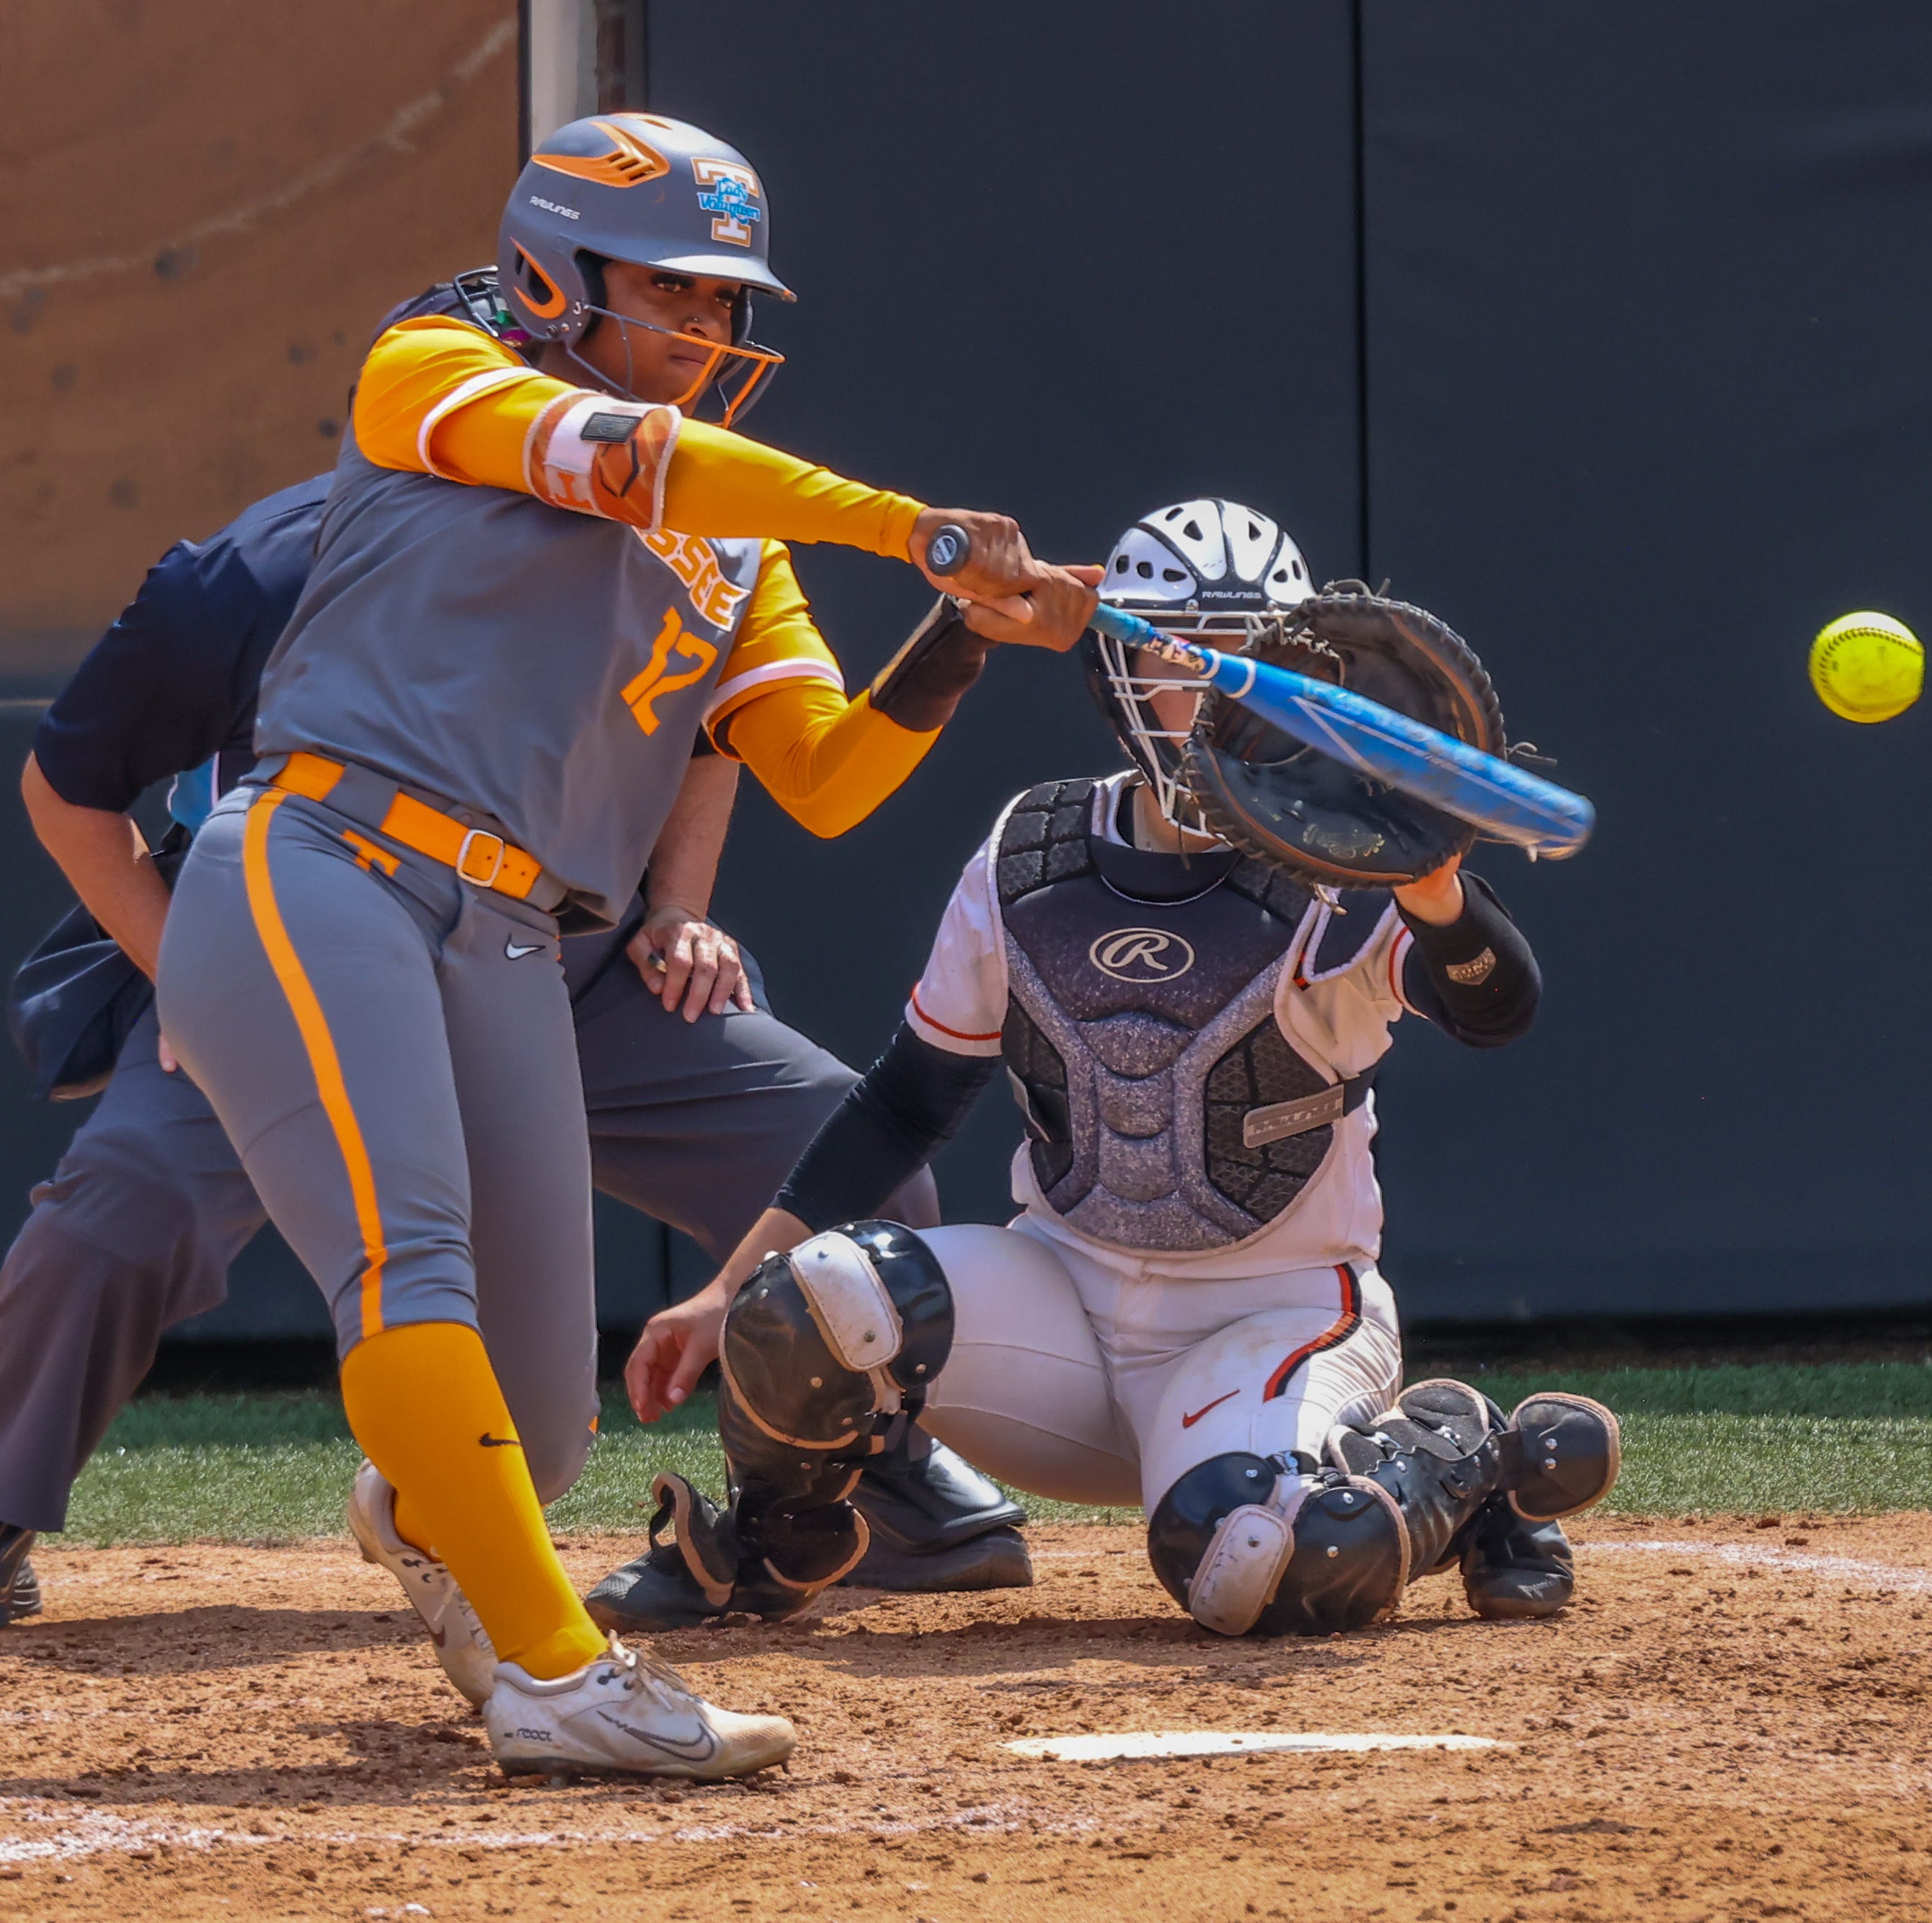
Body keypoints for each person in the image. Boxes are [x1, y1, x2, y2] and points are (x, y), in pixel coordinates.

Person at [0, 294, 1029, 1653]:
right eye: (518, 376)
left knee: (834, 1147)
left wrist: (678, 906)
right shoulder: (265, 565)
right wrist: (187, 970)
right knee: (127, 1203)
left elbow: (715, 727)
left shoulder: (677, 534)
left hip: (556, 952)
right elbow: (67, 787)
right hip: (319, 929)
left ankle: (841, 1470)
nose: (547, 402)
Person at [151, 113, 1093, 1780]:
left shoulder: (736, 536)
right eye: (667, 286)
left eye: (721, 299)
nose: (703, 326)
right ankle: (557, 1676)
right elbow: (629, 461)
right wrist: (906, 524)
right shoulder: (430, 368)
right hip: (325, 859)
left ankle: (426, 1508)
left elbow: (825, 777)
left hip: (511, 928)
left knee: (539, 1422)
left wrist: (957, 635)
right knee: (409, 1268)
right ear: (548, 270)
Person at [590, 500, 1620, 1642]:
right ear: (1121, 675)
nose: (1217, 691)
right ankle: (764, 1552)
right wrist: (725, 1292)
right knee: (808, 1295)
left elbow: (1495, 1007)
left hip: (1270, 1317)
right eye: (1185, 656)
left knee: (1263, 1567)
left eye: (1248, 660)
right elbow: (906, 1102)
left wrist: (1436, 894)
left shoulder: (1349, 867)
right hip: (1062, 1306)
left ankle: (1464, 1458)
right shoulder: (1033, 847)